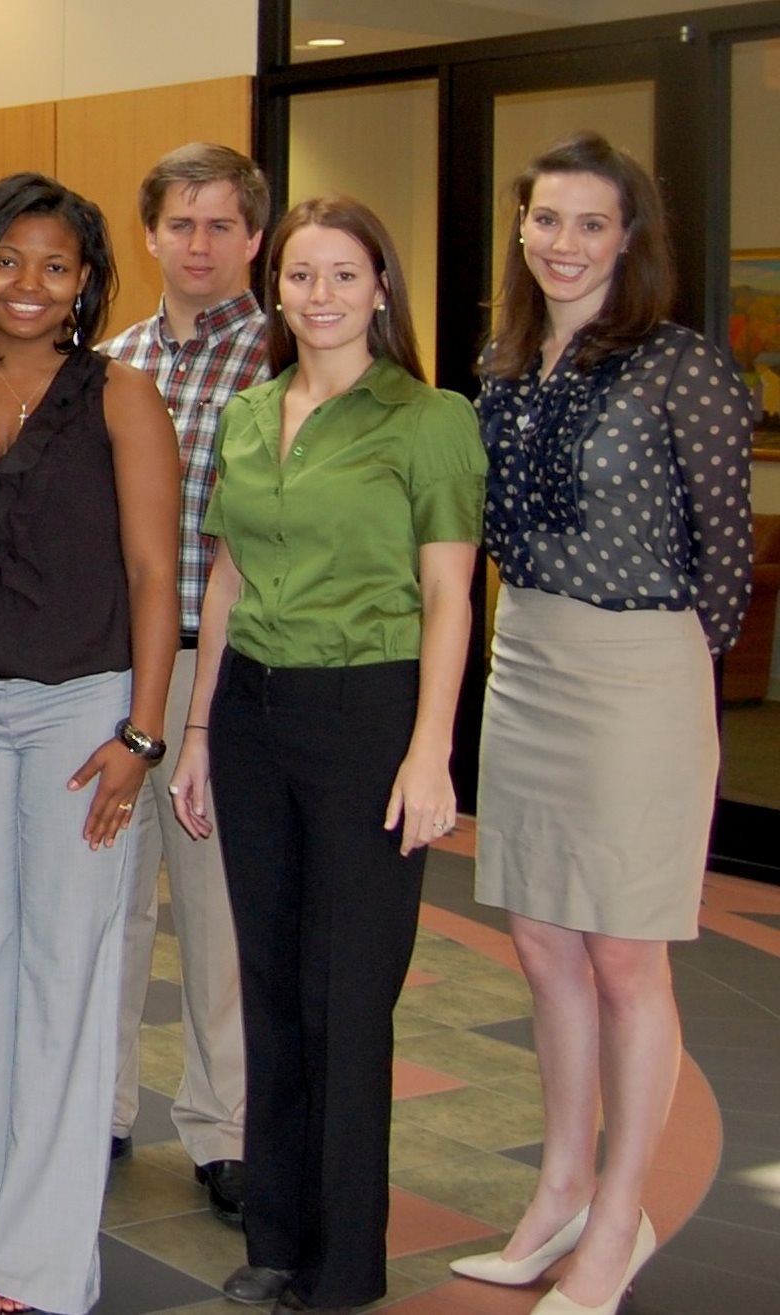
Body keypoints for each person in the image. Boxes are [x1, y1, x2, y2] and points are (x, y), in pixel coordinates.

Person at [448, 133, 753, 1315]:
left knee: (625, 957)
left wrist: (665, 671)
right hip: (527, 660)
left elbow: (724, 558)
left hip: (639, 673)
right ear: (521, 230)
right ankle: (559, 1192)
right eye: (546, 220)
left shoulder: (682, 367)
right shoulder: (507, 359)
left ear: (629, 239)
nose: (563, 243)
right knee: (541, 944)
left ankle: (620, 1220)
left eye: (589, 223)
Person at [170, 195, 485, 1315]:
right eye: (303, 276)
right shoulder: (252, 412)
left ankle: (345, 1264)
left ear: (381, 289)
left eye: (344, 276)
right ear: (280, 288)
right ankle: (278, 1236)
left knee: (347, 997)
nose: (322, 296)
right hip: (252, 711)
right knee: (272, 988)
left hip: (369, 714)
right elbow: (233, 576)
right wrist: (202, 729)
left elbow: (450, 594)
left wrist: (432, 749)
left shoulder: (431, 416)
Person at [0, 172, 181, 1315]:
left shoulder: (122, 397)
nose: (29, 285)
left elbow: (160, 577)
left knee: (67, 974)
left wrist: (141, 733)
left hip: (82, 713)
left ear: (86, 282)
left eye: (55, 265)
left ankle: (45, 1259)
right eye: (8, 260)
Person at [99, 141, 271, 1222]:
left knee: (218, 917)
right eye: (180, 224)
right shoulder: (111, 361)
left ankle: (226, 1132)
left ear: (254, 237)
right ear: (149, 234)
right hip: (117, 667)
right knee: (104, 905)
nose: (198, 244)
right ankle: (100, 1110)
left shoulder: (288, 355)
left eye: (221, 225)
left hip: (227, 671)